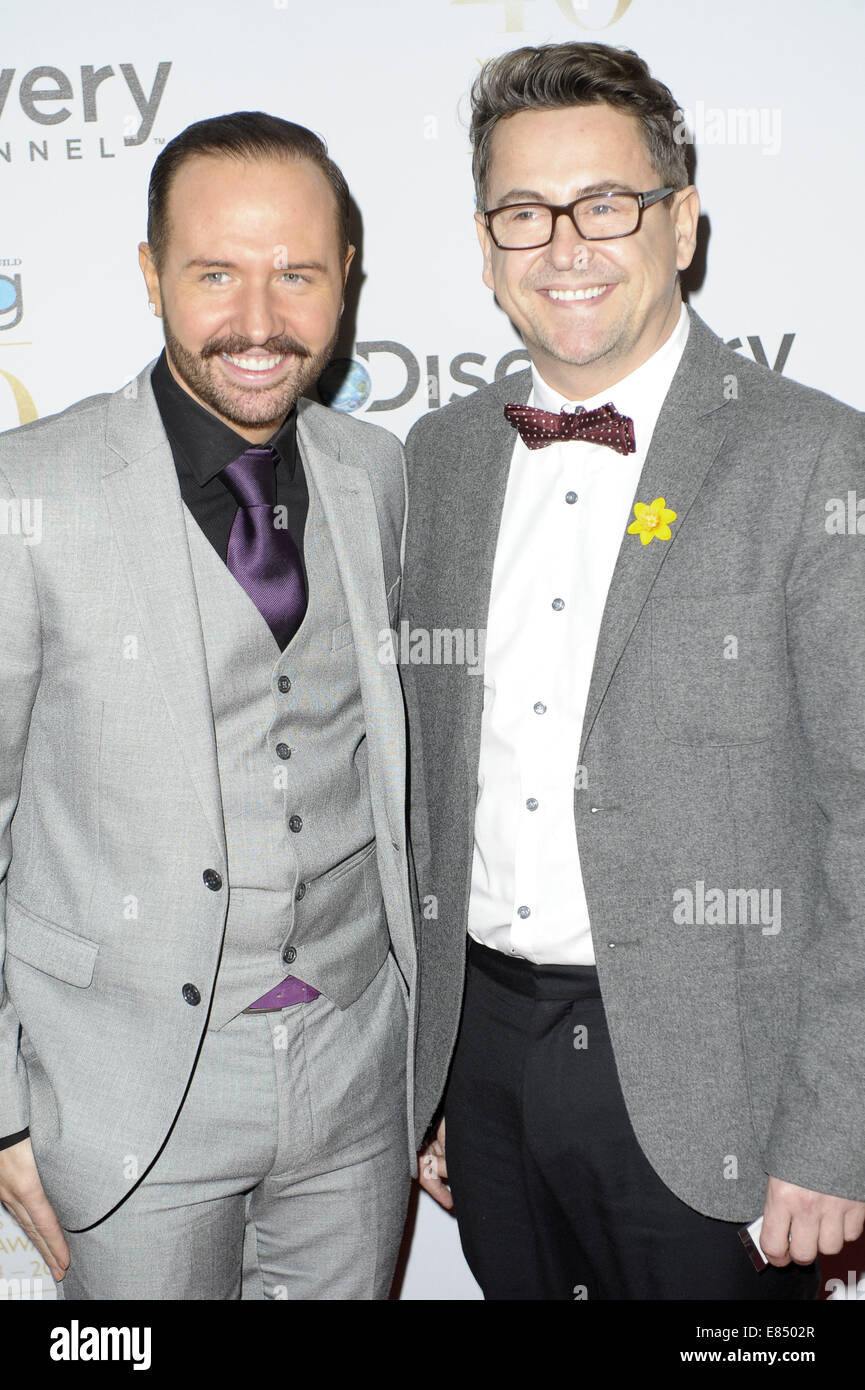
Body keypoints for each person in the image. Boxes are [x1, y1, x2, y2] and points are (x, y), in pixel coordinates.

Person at [403, 42, 865, 1300]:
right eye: (522, 211)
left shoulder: (817, 458)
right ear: (487, 242)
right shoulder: (435, 461)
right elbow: (420, 797)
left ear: (683, 223)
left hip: (720, 1078)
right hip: (481, 1058)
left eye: (605, 203)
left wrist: (838, 1130)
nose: (564, 244)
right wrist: (424, 1069)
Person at [0, 111, 418, 1300]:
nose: (258, 320)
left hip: (354, 1071)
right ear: (150, 277)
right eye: (215, 273)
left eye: (297, 274)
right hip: (121, 1090)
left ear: (346, 283)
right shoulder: (25, 495)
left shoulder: (373, 472)